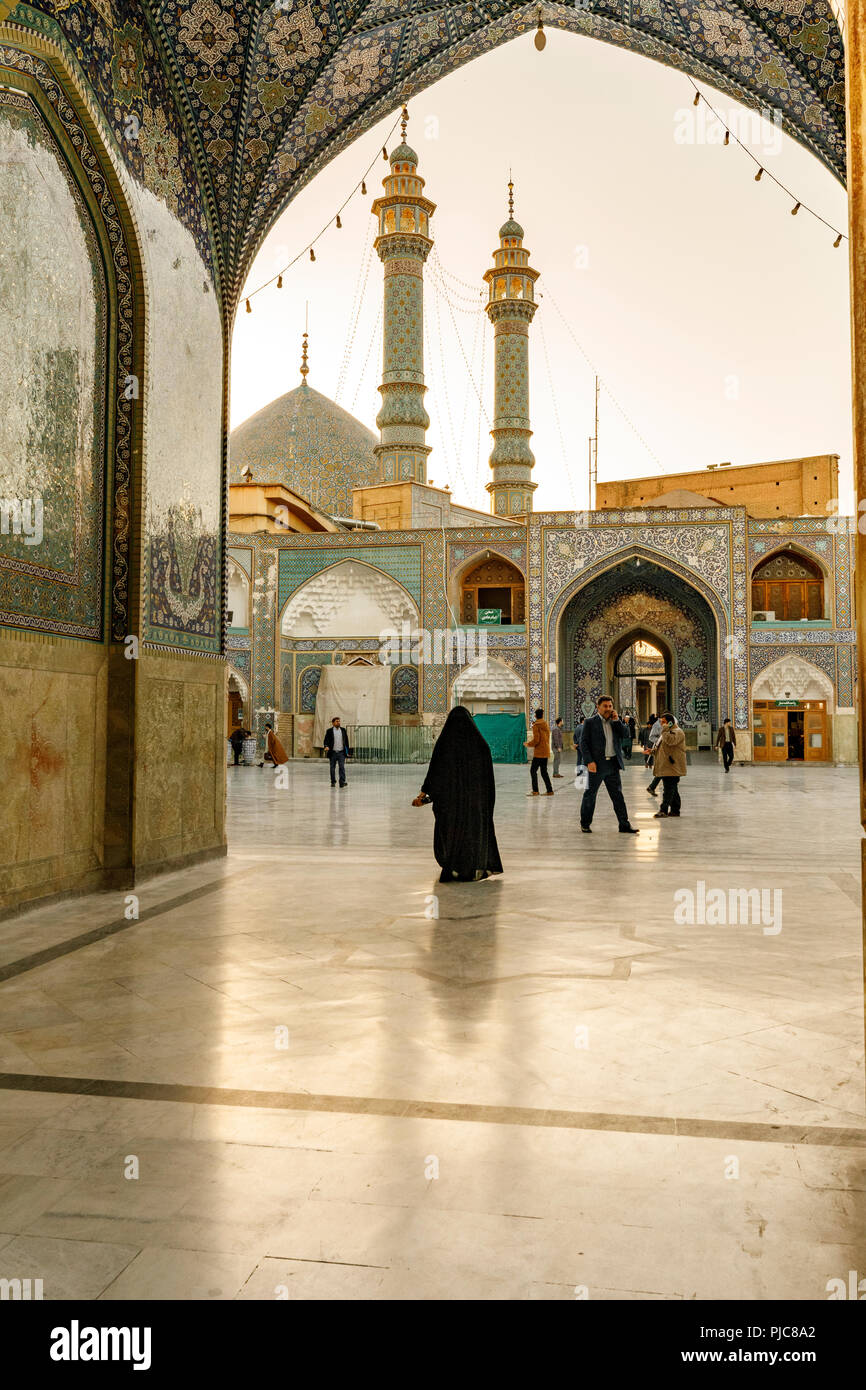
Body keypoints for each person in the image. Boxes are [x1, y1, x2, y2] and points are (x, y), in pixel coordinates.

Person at [412, 705, 503, 882]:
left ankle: (452, 865)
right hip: (475, 804)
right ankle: (469, 867)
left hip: (450, 805)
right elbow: (488, 781)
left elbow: (435, 772)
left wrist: (424, 794)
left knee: (451, 833)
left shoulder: (445, 745)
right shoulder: (481, 746)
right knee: (471, 834)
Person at [578, 696, 639, 834]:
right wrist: (589, 761)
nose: (608, 709)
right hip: (596, 765)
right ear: (598, 707)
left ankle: (624, 825)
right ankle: (585, 824)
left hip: (612, 764)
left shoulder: (614, 722)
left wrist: (617, 720)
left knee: (618, 796)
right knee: (590, 795)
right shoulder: (590, 722)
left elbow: (626, 734)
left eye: (610, 706)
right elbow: (583, 743)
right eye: (605, 706)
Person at [652, 712, 687, 818]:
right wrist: (652, 751)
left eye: (664, 722)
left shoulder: (678, 732)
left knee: (668, 789)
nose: (662, 724)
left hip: (673, 766)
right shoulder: (667, 732)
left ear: (670, 722)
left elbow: (671, 741)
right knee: (672, 789)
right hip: (667, 765)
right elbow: (663, 747)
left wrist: (665, 730)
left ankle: (663, 810)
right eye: (661, 722)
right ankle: (675, 810)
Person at [525, 708, 554, 796]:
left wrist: (528, 744)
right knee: (544, 772)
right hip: (545, 751)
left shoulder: (536, 725)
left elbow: (536, 740)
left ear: (535, 715)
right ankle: (549, 790)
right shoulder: (545, 724)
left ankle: (535, 791)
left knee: (533, 770)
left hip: (539, 753)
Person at [323, 716, 351, 788]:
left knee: (342, 767)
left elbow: (346, 742)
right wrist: (326, 746)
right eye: (337, 721)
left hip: (341, 752)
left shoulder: (343, 730)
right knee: (332, 768)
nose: (338, 722)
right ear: (333, 723)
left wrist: (347, 751)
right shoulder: (329, 731)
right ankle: (333, 782)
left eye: (339, 721)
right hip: (333, 753)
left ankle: (342, 782)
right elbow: (326, 740)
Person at [646, 712, 664, 796]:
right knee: (664, 770)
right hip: (662, 750)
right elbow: (651, 737)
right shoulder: (657, 725)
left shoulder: (670, 723)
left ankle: (652, 787)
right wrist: (660, 741)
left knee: (664, 771)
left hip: (667, 750)